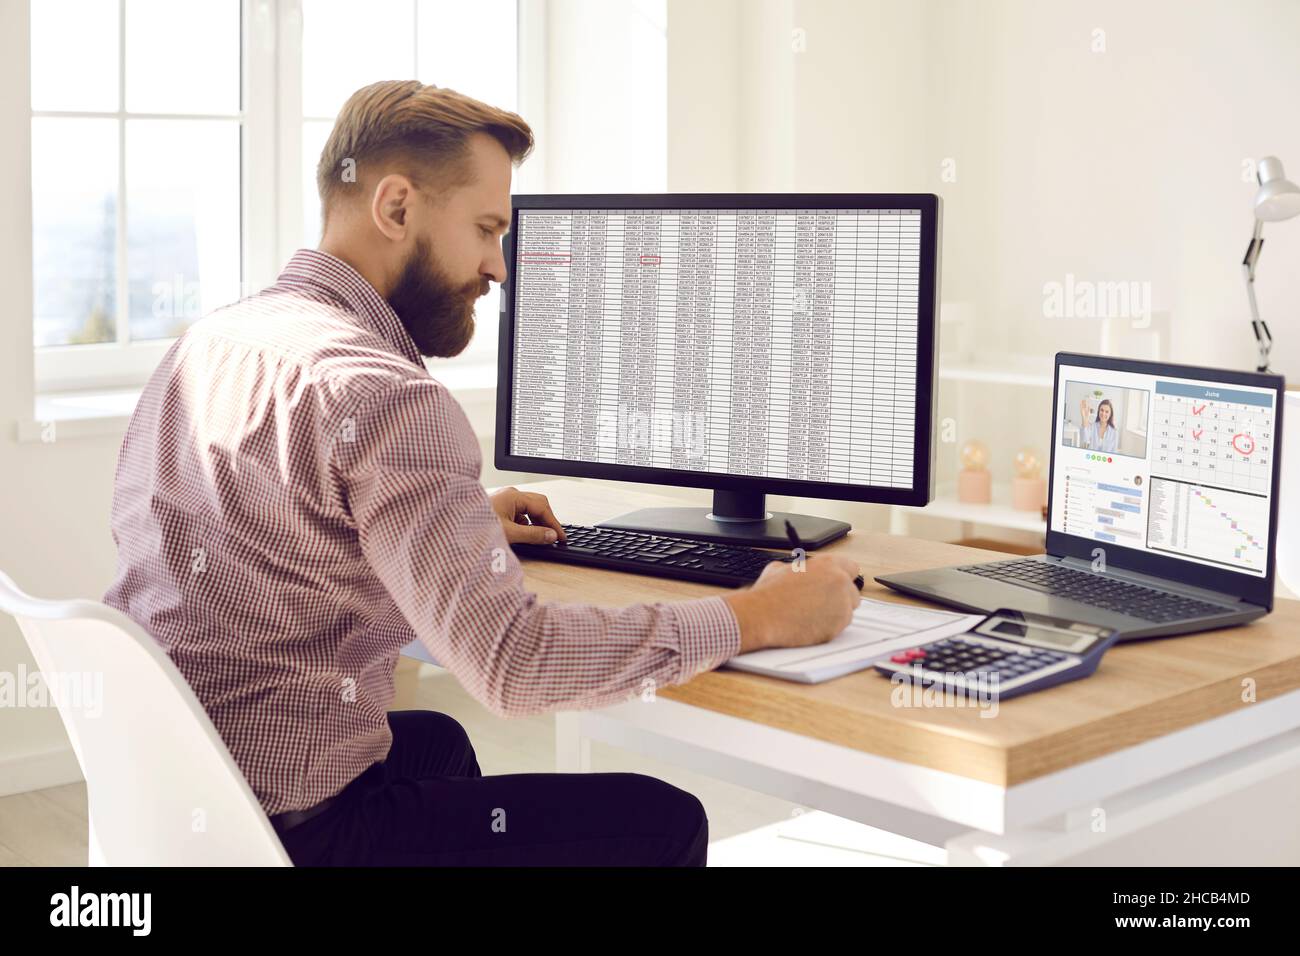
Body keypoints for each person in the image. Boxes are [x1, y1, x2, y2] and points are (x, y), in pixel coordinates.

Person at [103, 80, 862, 866]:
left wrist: (438, 521)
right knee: (664, 818)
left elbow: (249, 535)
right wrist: (759, 617)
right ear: (396, 208)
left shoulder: (213, 344)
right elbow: (514, 663)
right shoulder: (386, 393)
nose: (498, 268)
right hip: (297, 837)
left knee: (435, 747)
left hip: (182, 796)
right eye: (486, 229)